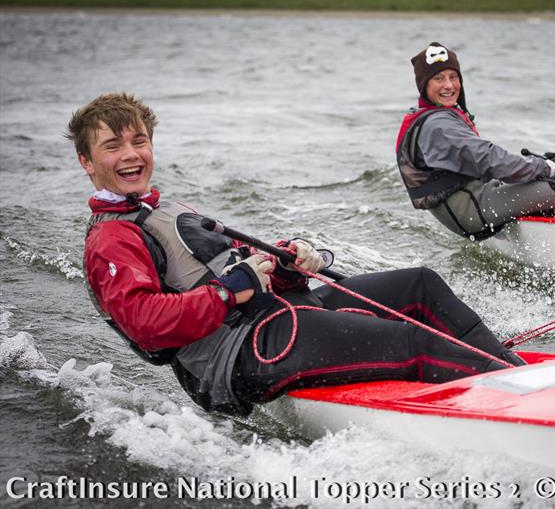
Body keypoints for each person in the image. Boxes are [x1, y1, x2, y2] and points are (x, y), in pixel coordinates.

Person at [70, 93, 524, 416]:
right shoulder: (110, 240)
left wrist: (288, 262)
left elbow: (246, 269)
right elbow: (146, 325)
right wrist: (229, 294)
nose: (131, 155)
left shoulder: (165, 208)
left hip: (277, 312)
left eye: (139, 141)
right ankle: (515, 405)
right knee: (410, 340)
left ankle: (514, 375)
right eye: (113, 146)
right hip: (239, 353)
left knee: (419, 283)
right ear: (86, 162)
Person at [396, 42, 555, 240]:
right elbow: (490, 159)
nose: (449, 85)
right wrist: (548, 168)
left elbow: (484, 163)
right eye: (439, 78)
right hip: (473, 210)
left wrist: (542, 170)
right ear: (424, 85)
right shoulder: (439, 126)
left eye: (454, 77)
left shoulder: (430, 117)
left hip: (469, 202)